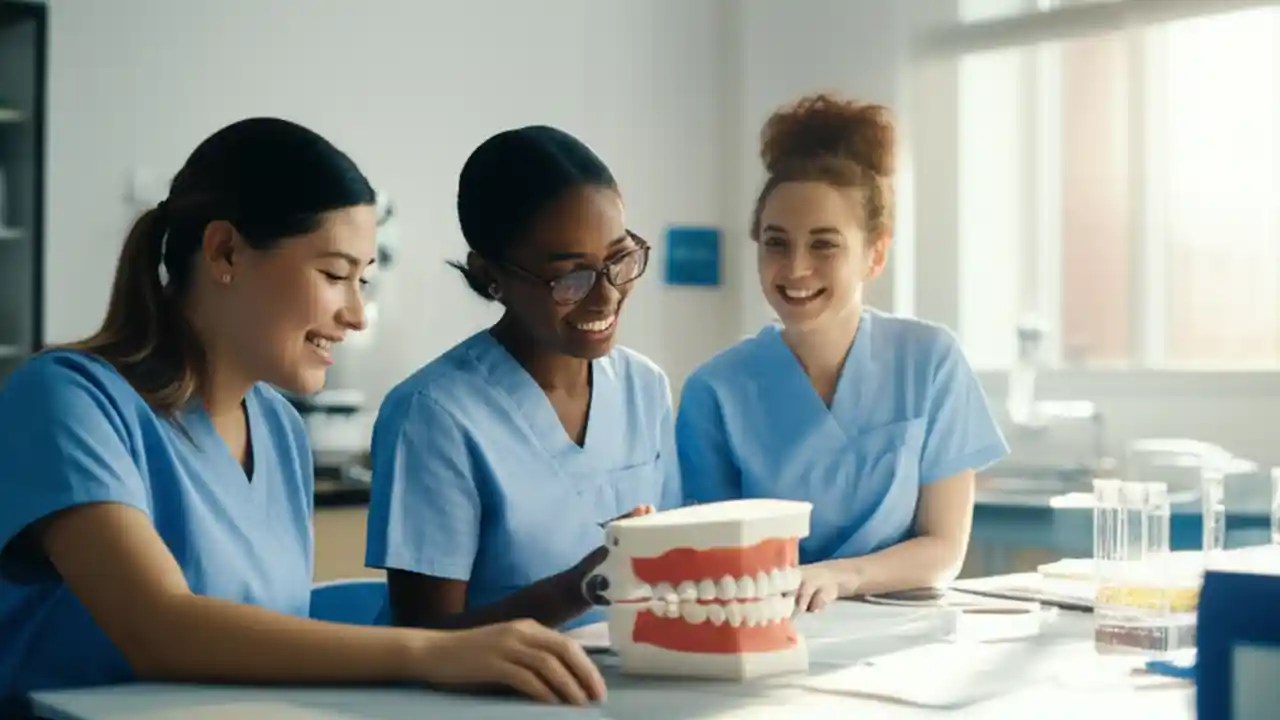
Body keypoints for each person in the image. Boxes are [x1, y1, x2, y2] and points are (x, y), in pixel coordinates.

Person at [0, 118, 605, 715]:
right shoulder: (67, 400)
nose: (357, 313)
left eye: (363, 280)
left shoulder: (278, 429)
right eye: (335, 275)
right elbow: (160, 628)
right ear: (225, 251)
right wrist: (434, 652)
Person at [675, 94, 1008, 613]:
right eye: (776, 243)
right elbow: (714, 559)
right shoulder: (715, 390)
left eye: (824, 245)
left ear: (874, 254)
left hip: (903, 628)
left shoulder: (929, 361)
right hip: (768, 626)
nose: (795, 268)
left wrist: (839, 576)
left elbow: (944, 548)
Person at [366, 125, 680, 632]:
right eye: (570, 276)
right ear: (492, 275)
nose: (605, 297)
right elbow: (423, 640)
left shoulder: (645, 389)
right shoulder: (433, 414)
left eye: (620, 260)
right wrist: (580, 587)